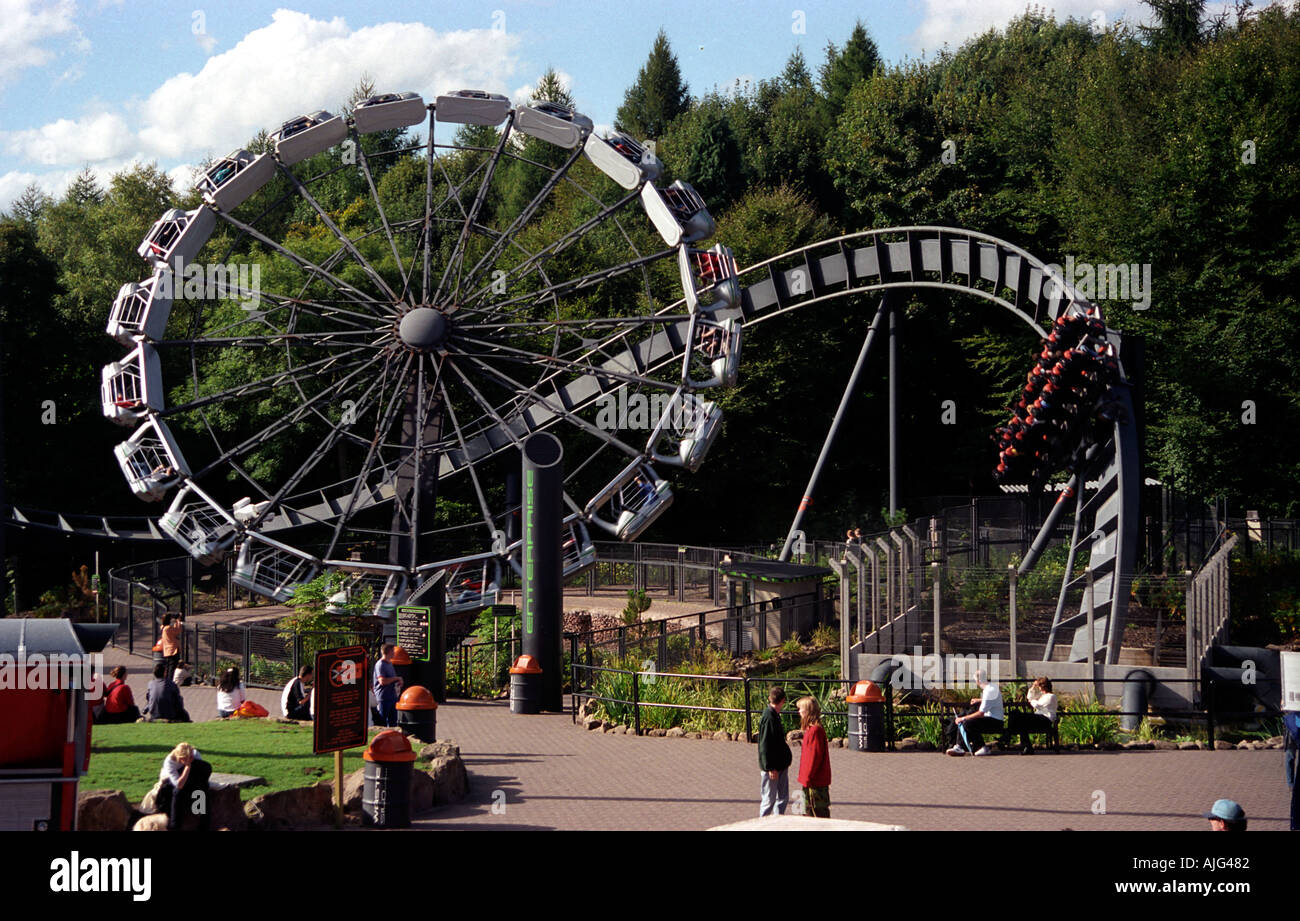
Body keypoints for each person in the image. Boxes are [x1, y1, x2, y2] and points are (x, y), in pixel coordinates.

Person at [155, 742, 211, 831]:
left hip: (192, 779)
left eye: (190, 758)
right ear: (179, 758)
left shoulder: (195, 754)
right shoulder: (170, 762)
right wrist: (188, 766)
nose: (188, 759)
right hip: (175, 781)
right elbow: (179, 785)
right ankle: (174, 825)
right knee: (177, 793)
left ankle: (203, 823)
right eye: (185, 759)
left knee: (202, 790)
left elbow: (200, 772)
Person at [947, 669, 1004, 756]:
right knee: (968, 721)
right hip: (996, 720)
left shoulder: (989, 691)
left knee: (967, 723)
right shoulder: (992, 687)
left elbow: (980, 713)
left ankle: (972, 747)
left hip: (995, 722)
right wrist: (979, 700)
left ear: (978, 681)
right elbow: (992, 700)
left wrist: (962, 718)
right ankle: (963, 746)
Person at [757, 686, 792, 816]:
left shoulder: (773, 715)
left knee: (781, 797)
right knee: (769, 799)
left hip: (780, 764)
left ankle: (777, 823)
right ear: (783, 700)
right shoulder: (770, 717)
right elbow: (765, 745)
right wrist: (770, 767)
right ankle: (763, 824)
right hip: (774, 766)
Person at [796, 697, 831, 817]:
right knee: (806, 812)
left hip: (814, 783)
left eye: (800, 709)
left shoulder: (815, 731)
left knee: (816, 814)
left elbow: (813, 758)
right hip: (810, 781)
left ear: (807, 711)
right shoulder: (812, 730)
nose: (799, 712)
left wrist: (807, 778)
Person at [1010, 676, 1058, 754]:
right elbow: (1030, 697)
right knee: (1017, 717)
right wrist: (1033, 687)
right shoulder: (1042, 695)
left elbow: (1038, 705)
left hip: (1045, 720)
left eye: (1039, 686)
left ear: (1043, 687)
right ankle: (1027, 747)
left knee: (1020, 718)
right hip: (1039, 718)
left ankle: (1008, 736)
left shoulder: (1051, 696)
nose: (1038, 688)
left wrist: (1032, 701)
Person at [373, 644, 403, 727]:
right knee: (382, 723)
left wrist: (398, 682)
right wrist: (396, 678)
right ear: (389, 652)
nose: (394, 653)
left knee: (393, 723)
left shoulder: (389, 663)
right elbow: (382, 681)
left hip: (392, 697)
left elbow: (391, 678)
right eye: (393, 651)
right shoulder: (380, 664)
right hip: (383, 698)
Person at [159, 613, 182, 679]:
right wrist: (178, 621)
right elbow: (177, 630)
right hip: (173, 650)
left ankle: (167, 681)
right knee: (171, 668)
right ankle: (169, 682)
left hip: (167, 650)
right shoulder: (168, 628)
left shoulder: (163, 627)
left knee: (169, 667)